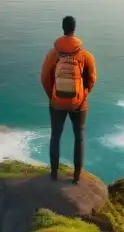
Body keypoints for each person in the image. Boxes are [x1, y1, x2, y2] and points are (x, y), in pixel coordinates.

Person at [40, 15, 97, 184]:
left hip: (57, 101)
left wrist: (52, 95)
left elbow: (44, 76)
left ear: (62, 29)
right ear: (74, 29)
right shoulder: (85, 56)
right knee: (79, 136)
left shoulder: (53, 54)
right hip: (79, 103)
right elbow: (92, 78)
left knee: (55, 136)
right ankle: (77, 176)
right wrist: (83, 94)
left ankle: (54, 174)